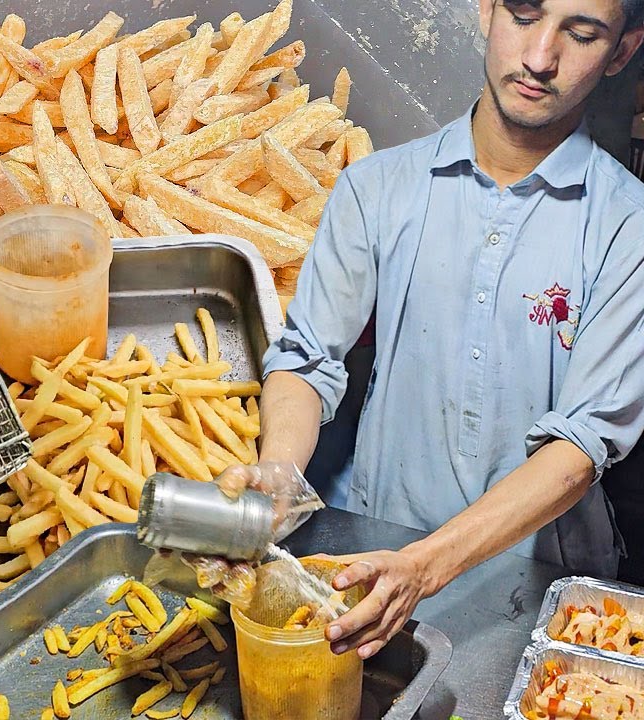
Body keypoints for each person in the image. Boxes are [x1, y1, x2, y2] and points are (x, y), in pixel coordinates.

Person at [256, 0, 644, 660]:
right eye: (524, 15)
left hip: (534, 593)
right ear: (486, 10)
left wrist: (429, 565)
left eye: (580, 34)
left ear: (621, 53)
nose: (540, 57)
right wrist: (275, 479)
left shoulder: (625, 227)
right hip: (373, 543)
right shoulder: (376, 189)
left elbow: (580, 448)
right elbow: (305, 357)